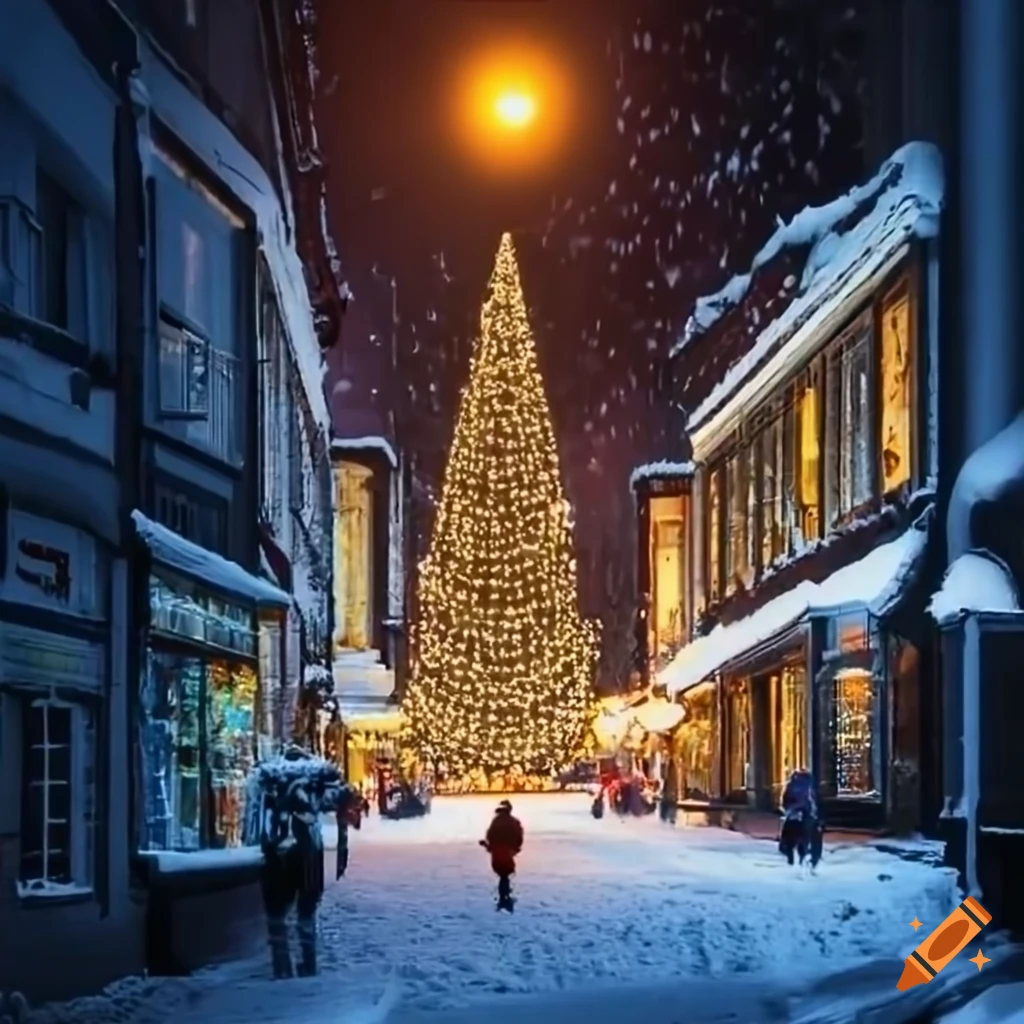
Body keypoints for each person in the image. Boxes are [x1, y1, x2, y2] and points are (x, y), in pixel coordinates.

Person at [480, 799, 524, 912]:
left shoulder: (496, 821)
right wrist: (515, 848)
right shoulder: (514, 822)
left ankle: (503, 898)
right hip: (507, 852)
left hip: (497, 852)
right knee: (505, 874)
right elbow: (519, 836)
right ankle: (505, 898)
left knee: (502, 875)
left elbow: (489, 835)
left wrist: (489, 846)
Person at [778, 768, 823, 872]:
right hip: (808, 816)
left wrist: (788, 810)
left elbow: (784, 801)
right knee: (812, 837)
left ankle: (790, 856)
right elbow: (815, 802)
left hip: (793, 815)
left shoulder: (791, 785)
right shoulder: (811, 786)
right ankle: (810, 860)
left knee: (789, 836)